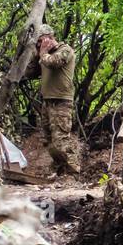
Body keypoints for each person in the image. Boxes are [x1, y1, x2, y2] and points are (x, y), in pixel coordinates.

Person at [31, 25, 79, 174]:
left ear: (49, 37)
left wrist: (43, 53)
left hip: (61, 102)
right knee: (48, 140)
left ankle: (73, 171)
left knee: (61, 140)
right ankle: (60, 170)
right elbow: (30, 72)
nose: (39, 45)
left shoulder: (65, 50)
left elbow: (54, 63)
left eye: (40, 41)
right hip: (47, 101)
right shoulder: (44, 56)